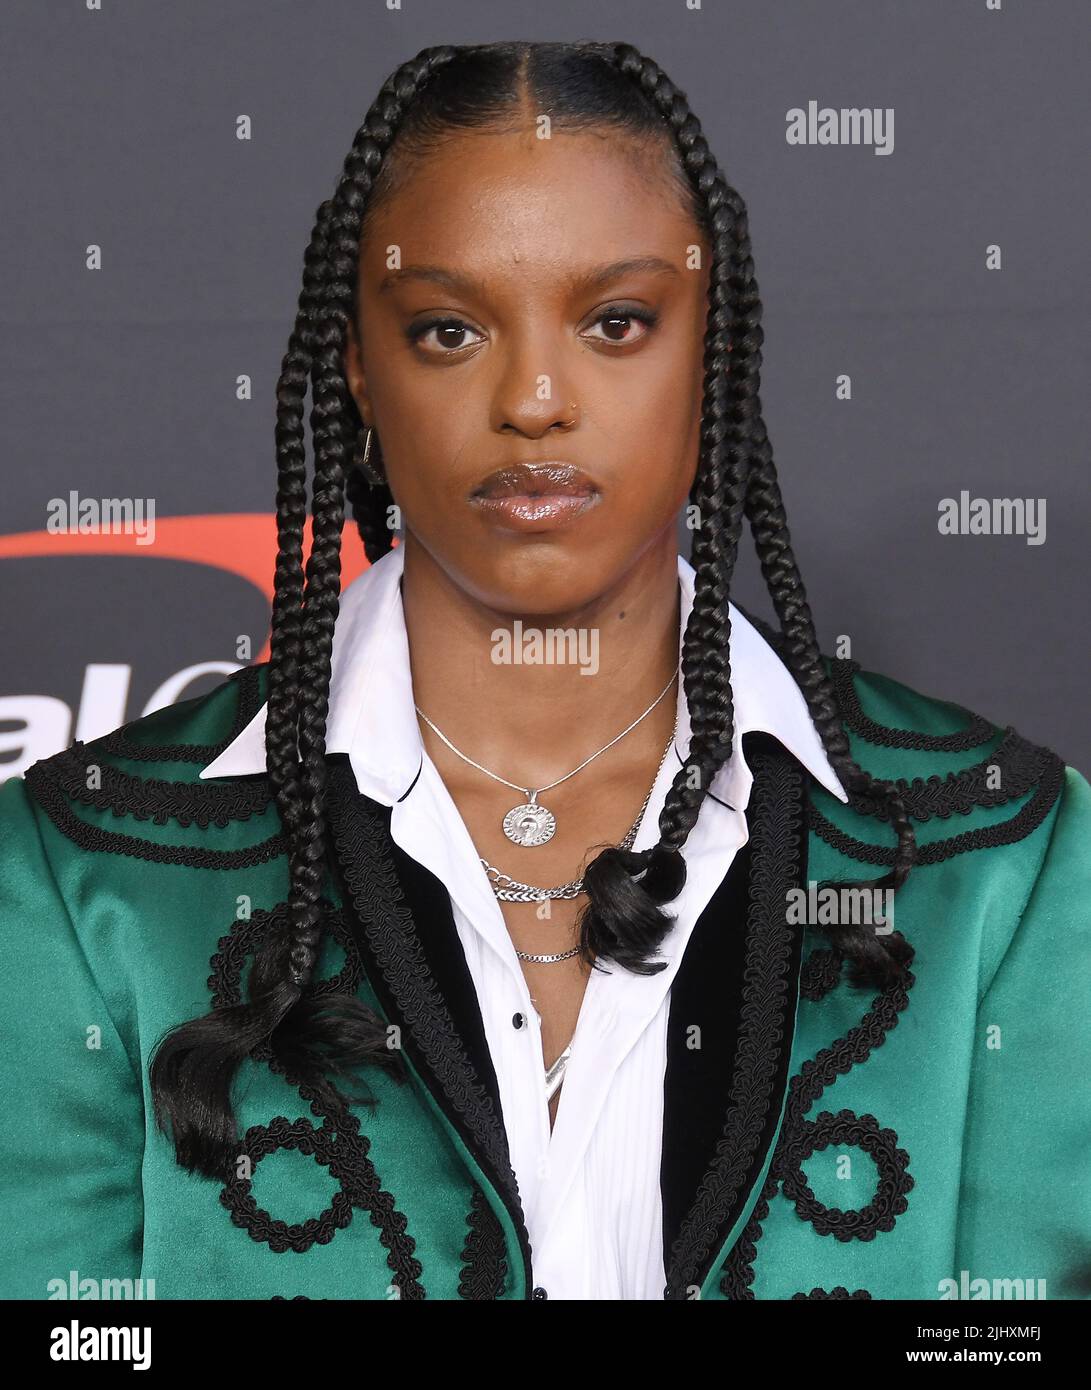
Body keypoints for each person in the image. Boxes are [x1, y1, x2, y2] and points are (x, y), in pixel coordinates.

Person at [1, 39, 1088, 1303]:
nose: (531, 398)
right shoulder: (77, 877)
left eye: (614, 321)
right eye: (448, 329)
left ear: (711, 352)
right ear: (358, 366)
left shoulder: (1004, 863)